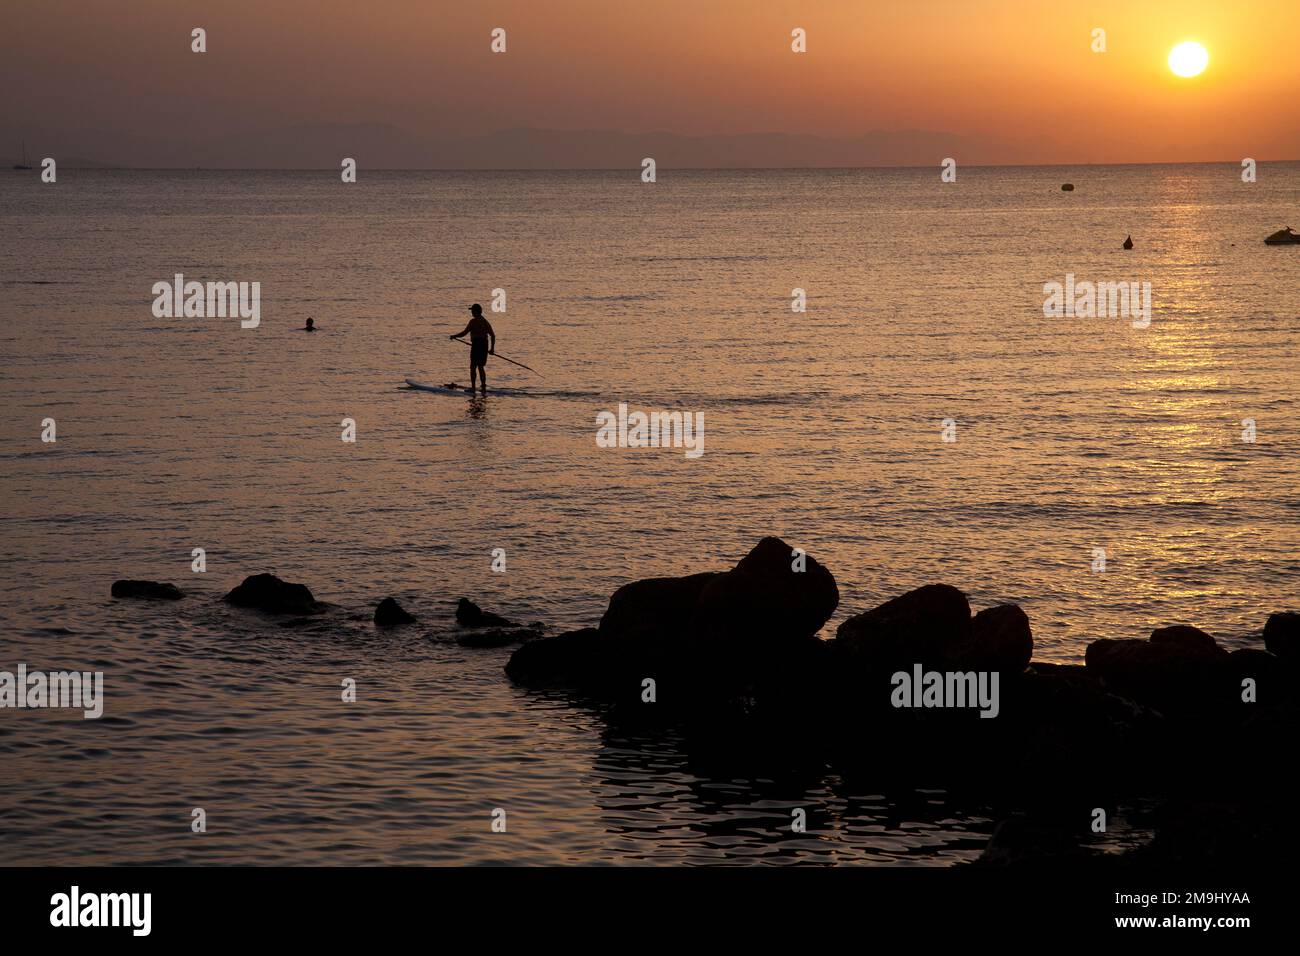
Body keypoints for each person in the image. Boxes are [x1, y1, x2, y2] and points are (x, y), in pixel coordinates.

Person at [450, 304, 495, 395]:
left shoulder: (473, 322)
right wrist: (492, 349)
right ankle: (483, 386)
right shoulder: (485, 322)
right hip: (484, 345)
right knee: (481, 367)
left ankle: (473, 387)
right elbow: (493, 335)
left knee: (473, 366)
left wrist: (454, 336)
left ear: (476, 312)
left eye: (472, 311)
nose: (471, 312)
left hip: (477, 345)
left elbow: (464, 333)